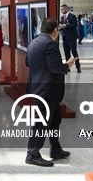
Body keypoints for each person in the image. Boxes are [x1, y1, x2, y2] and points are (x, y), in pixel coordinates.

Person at [24, 18, 75, 167]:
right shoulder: (50, 45)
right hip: (47, 90)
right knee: (41, 122)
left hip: (38, 87)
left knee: (55, 119)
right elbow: (55, 67)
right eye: (58, 30)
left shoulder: (33, 42)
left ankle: (55, 148)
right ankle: (32, 154)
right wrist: (67, 65)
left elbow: (28, 62)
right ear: (55, 30)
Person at [59, 4, 81, 73]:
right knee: (66, 53)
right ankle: (68, 67)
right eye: (61, 9)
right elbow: (62, 26)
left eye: (63, 9)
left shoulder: (72, 16)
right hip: (65, 38)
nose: (62, 11)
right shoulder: (62, 18)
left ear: (66, 9)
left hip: (71, 38)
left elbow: (74, 25)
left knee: (74, 52)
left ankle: (78, 66)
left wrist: (66, 26)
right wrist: (60, 27)